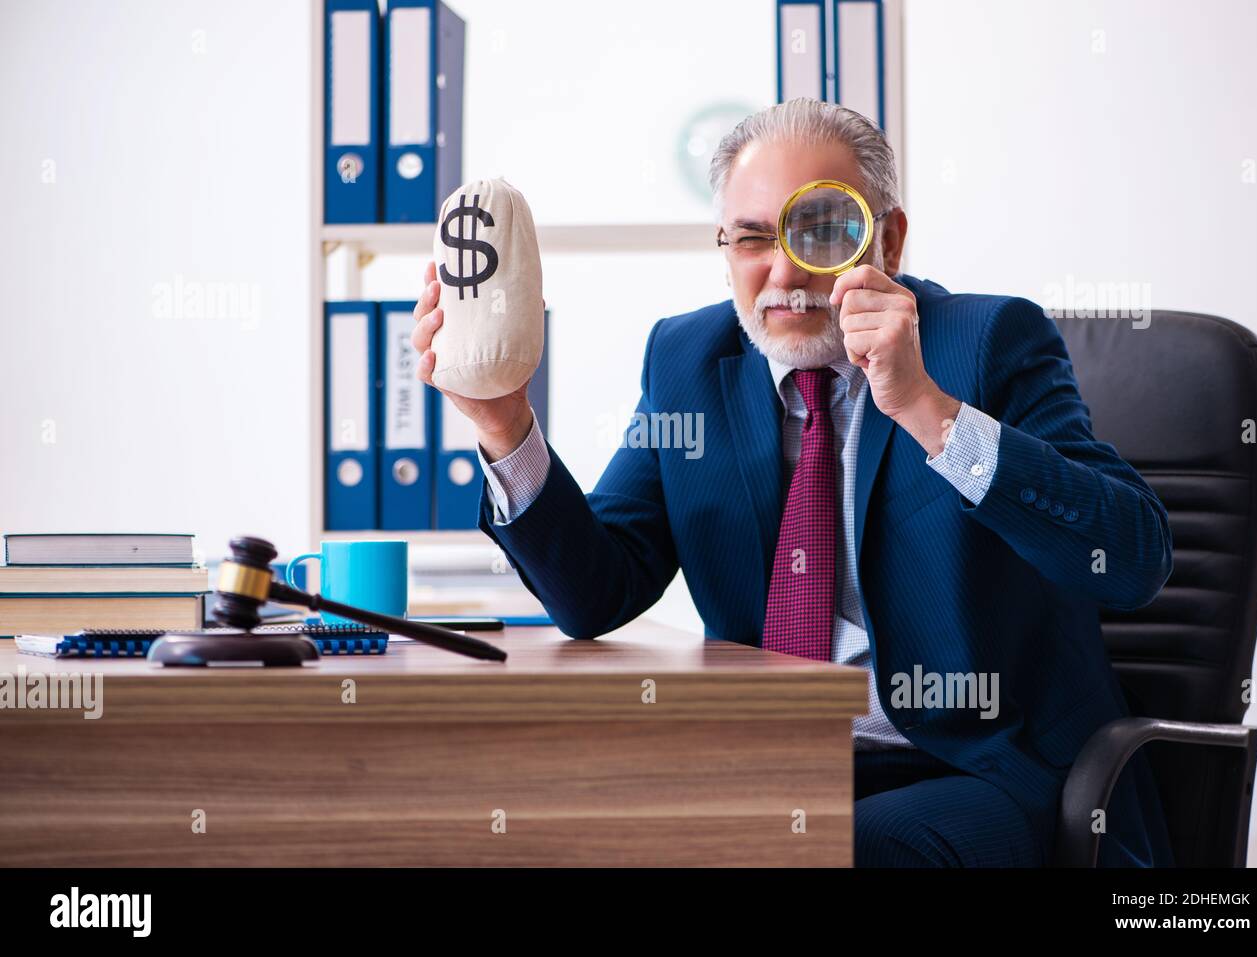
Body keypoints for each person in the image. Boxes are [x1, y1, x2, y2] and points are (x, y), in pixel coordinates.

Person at [409, 97, 1175, 867]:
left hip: (977, 767)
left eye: (823, 229)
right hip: (772, 763)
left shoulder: (986, 342)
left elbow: (1131, 558)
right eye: (751, 238)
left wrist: (927, 410)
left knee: (827, 853)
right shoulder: (688, 361)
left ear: (891, 238)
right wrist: (504, 423)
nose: (784, 271)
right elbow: (595, 592)